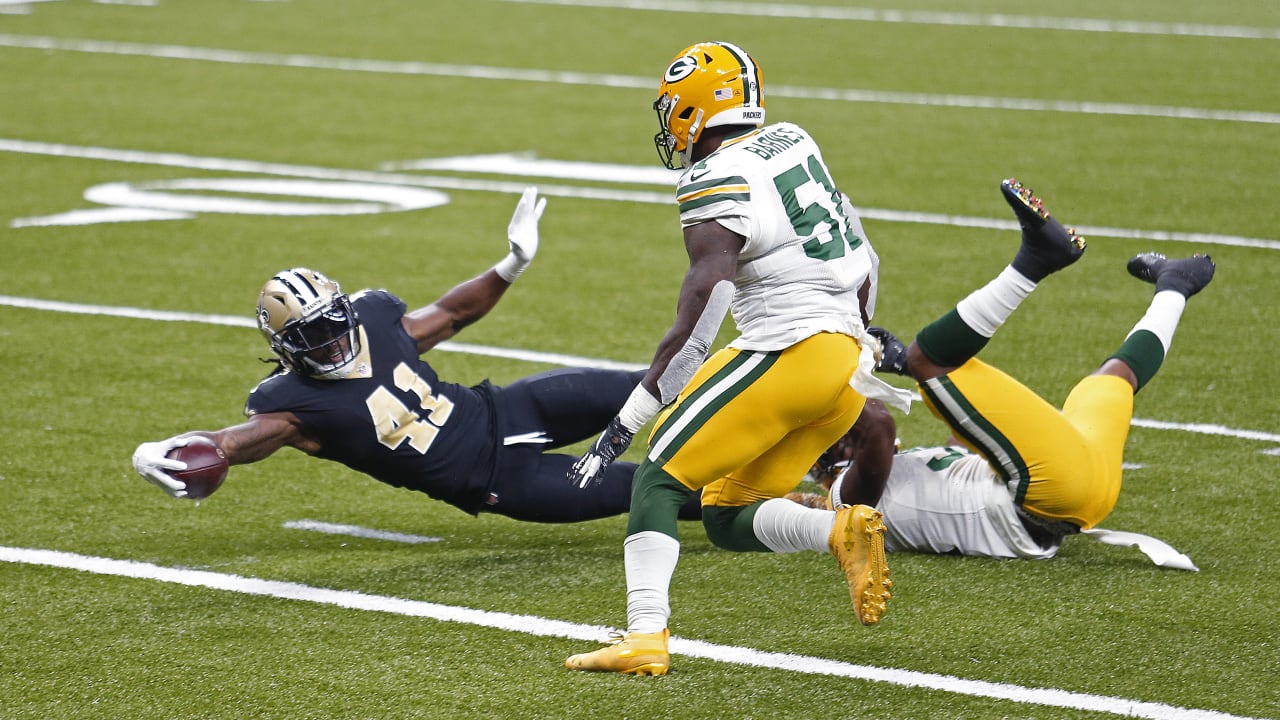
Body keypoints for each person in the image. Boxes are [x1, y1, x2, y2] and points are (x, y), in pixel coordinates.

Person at [563, 41, 914, 676]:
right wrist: (852, 343)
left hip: (789, 352)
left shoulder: (711, 178)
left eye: (675, 107)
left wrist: (623, 425)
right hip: (844, 365)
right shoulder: (790, 140)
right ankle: (839, 530)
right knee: (725, 514)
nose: (670, 120)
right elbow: (867, 259)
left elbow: (700, 321)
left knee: (658, 479)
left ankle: (644, 637)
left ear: (697, 108)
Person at [132, 188, 699, 524]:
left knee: (664, 385)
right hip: (503, 480)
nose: (331, 342)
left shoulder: (376, 322)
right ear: (285, 351)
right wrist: (174, 449)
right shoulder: (291, 405)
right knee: (655, 488)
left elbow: (450, 314)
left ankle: (778, 416)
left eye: (334, 324)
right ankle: (775, 499)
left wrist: (511, 265)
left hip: (512, 408)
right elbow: (235, 443)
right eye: (313, 337)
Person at [801, 178, 1213, 570]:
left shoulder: (901, 469)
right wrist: (871, 368)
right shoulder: (850, 499)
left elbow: (967, 431)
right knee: (928, 359)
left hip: (1084, 488)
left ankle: (1175, 284)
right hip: (1047, 496)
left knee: (1113, 378)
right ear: (835, 454)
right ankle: (1036, 259)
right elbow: (879, 424)